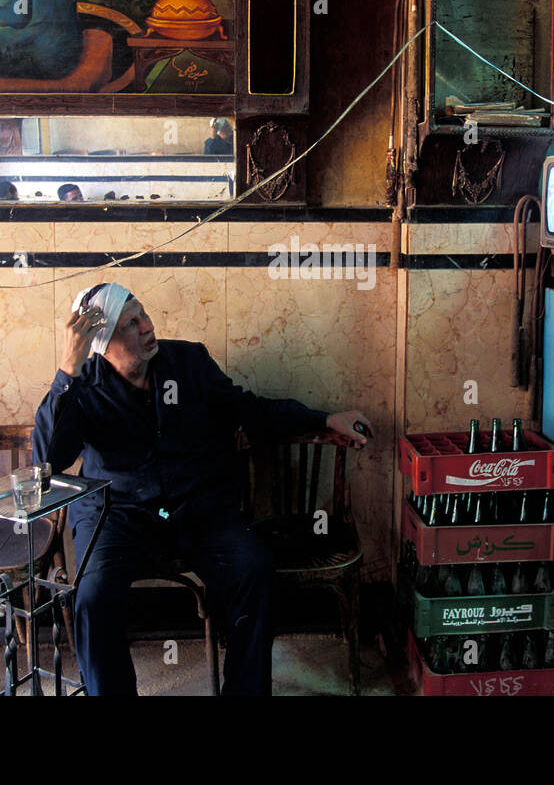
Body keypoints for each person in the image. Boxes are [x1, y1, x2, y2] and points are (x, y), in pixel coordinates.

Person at [32, 283, 370, 696]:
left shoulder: (188, 361)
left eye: (143, 314)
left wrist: (323, 419)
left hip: (198, 509)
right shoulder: (82, 385)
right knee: (93, 598)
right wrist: (66, 370)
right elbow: (47, 459)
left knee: (254, 571)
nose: (147, 326)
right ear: (102, 343)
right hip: (118, 515)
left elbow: (249, 409)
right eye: (131, 324)